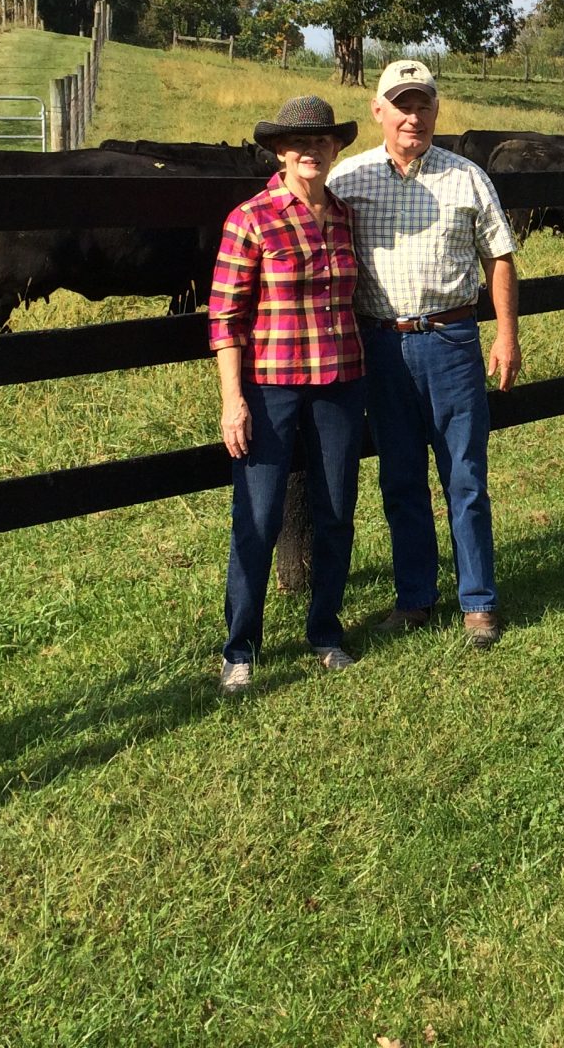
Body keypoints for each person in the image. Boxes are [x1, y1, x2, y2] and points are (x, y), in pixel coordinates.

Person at [329, 58, 520, 647]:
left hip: (451, 339)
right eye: (402, 104)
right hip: (381, 344)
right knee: (400, 475)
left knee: (465, 474)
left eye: (424, 104)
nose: (413, 116)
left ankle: (478, 604)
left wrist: (507, 335)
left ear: (437, 110)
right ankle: (414, 597)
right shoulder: (348, 180)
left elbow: (501, 257)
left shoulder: (467, 177)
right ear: (378, 111)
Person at [209, 94, 367, 692]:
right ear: (279, 151)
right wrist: (233, 398)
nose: (311, 150)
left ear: (335, 149)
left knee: (335, 509)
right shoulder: (250, 218)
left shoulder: (346, 216)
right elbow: (225, 317)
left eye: (322, 141)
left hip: (341, 380)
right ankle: (240, 646)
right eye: (298, 142)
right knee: (258, 514)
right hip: (271, 384)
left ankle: (325, 631)